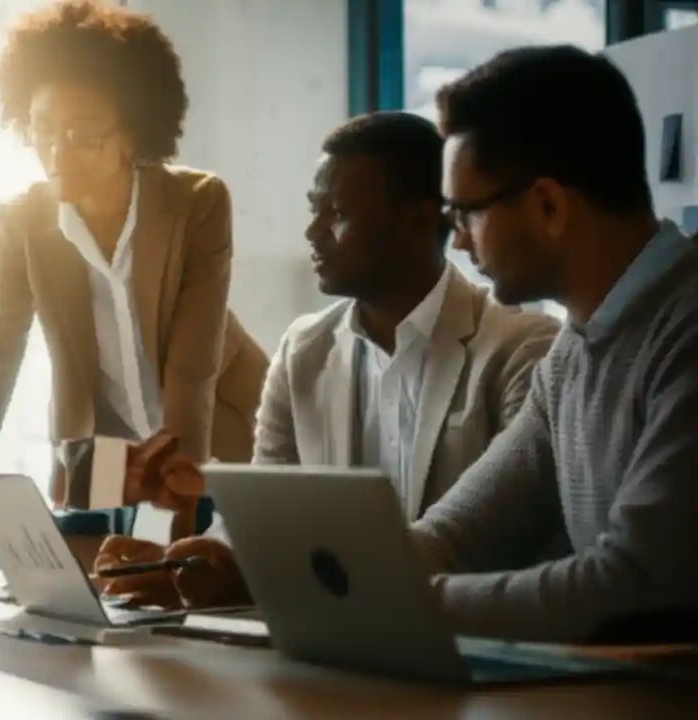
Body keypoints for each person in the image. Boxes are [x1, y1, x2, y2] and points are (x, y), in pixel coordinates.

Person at [95, 111, 559, 610]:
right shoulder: (305, 349)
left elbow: (499, 543)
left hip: (473, 653)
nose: (313, 232)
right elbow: (262, 515)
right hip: (326, 647)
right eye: (313, 210)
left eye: (336, 213)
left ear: (420, 220)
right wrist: (192, 563)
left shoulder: (522, 349)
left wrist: (274, 582)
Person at [406, 45, 698, 641]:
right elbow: (454, 537)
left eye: (466, 214)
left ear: (549, 205)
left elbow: (637, 585)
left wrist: (403, 603)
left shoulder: (685, 328)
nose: (458, 242)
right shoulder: (572, 354)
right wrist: (299, 578)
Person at [0, 0, 268, 502]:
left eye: (83, 135)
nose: (58, 153)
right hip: (104, 450)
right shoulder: (21, 221)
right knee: (96, 573)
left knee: (202, 573)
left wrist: (181, 487)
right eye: (42, 129)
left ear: (133, 131)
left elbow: (192, 366)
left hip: (220, 430)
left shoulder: (196, 202)